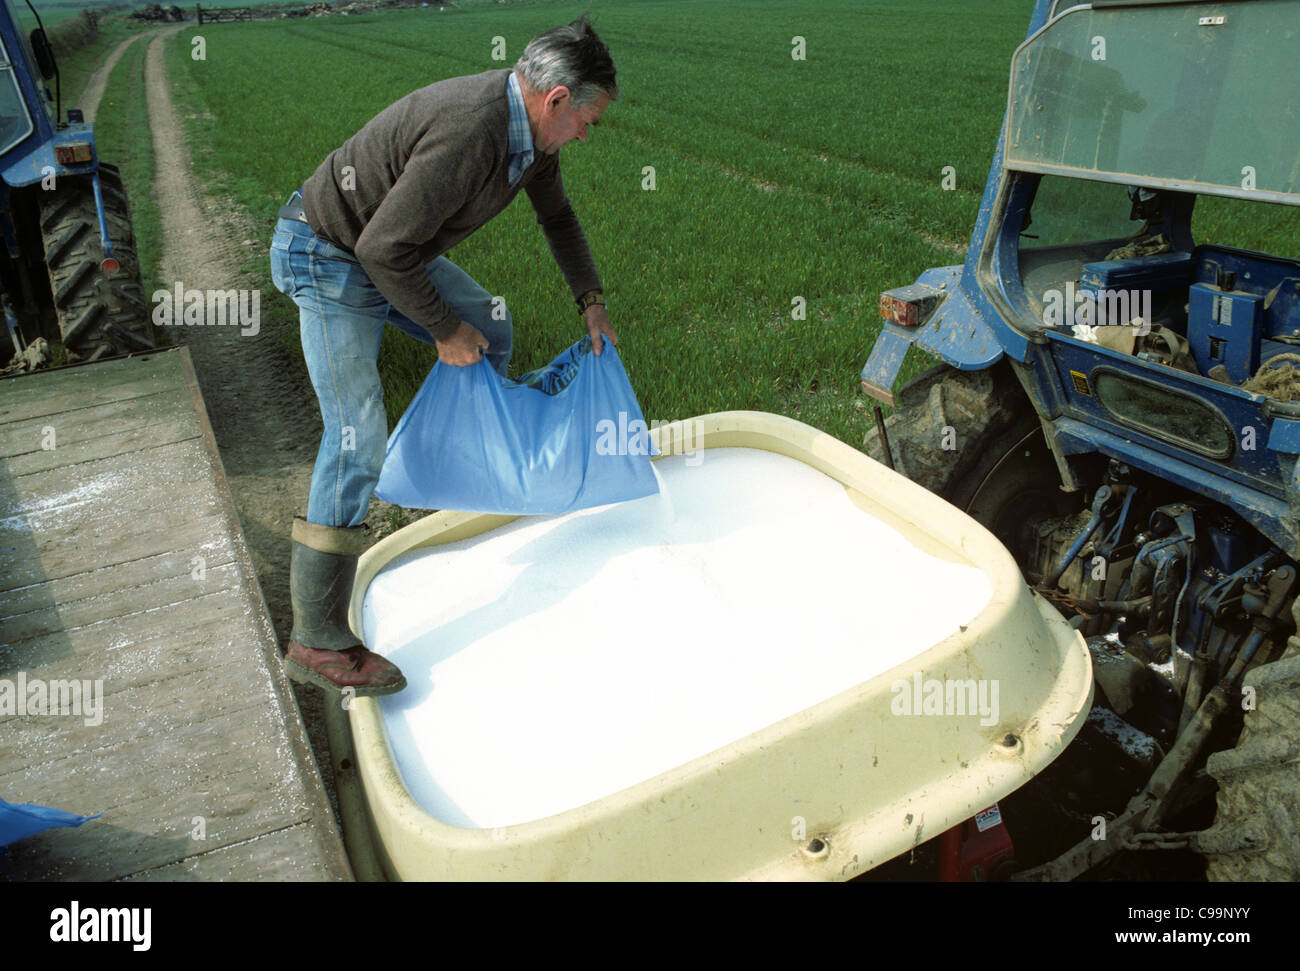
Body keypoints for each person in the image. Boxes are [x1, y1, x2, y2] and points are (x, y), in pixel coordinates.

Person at [269, 15, 619, 697]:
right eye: (587, 121)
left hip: (390, 253)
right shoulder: (473, 128)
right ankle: (314, 639)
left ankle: (460, 480)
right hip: (328, 254)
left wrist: (591, 300)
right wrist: (442, 330)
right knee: (355, 436)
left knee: (493, 325)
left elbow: (558, 218)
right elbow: (379, 249)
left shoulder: (533, 143)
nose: (586, 133)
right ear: (554, 102)